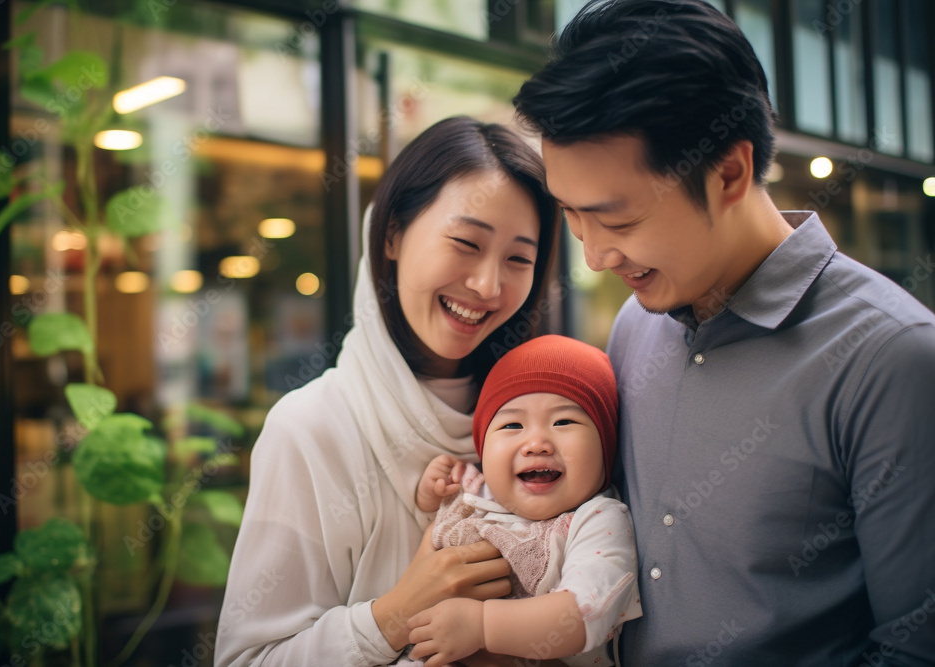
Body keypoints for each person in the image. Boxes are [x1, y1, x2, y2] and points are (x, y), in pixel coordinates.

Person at [512, 0, 935, 665]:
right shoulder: (634, 324)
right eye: (571, 215)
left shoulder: (893, 357)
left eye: (616, 221)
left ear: (730, 172)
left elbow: (915, 647)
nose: (593, 255)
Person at [214, 115, 561, 666]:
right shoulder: (311, 429)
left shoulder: (547, 423)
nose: (488, 285)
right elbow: (247, 660)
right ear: (393, 233)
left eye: (519, 258)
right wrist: (395, 614)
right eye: (466, 243)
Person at [406, 335, 641, 667]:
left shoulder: (597, 520)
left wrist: (483, 626)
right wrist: (429, 495)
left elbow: (585, 613)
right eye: (512, 424)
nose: (536, 443)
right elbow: (435, 542)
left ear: (606, 445)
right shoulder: (475, 493)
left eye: (563, 421)